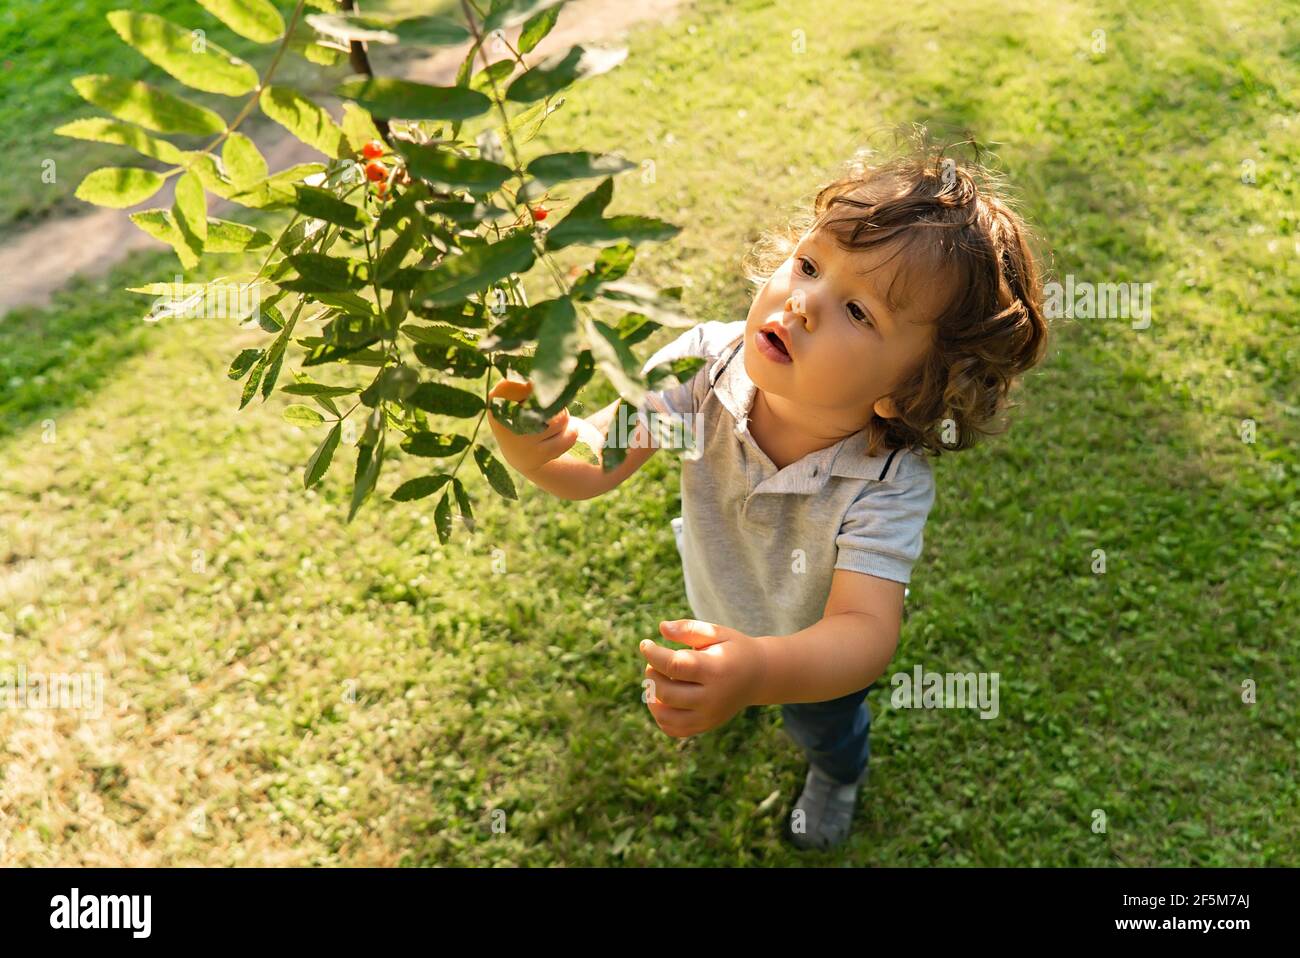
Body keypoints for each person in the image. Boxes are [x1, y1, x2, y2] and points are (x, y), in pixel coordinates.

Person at [487, 143, 1050, 850]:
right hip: (722, 599)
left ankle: (837, 775)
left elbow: (863, 634)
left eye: (857, 311)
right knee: (732, 666)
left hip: (813, 659)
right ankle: (737, 680)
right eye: (810, 264)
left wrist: (760, 673)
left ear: (909, 391)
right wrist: (537, 447)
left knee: (824, 729)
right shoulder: (704, 370)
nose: (803, 302)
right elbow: (595, 458)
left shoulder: (885, 482)